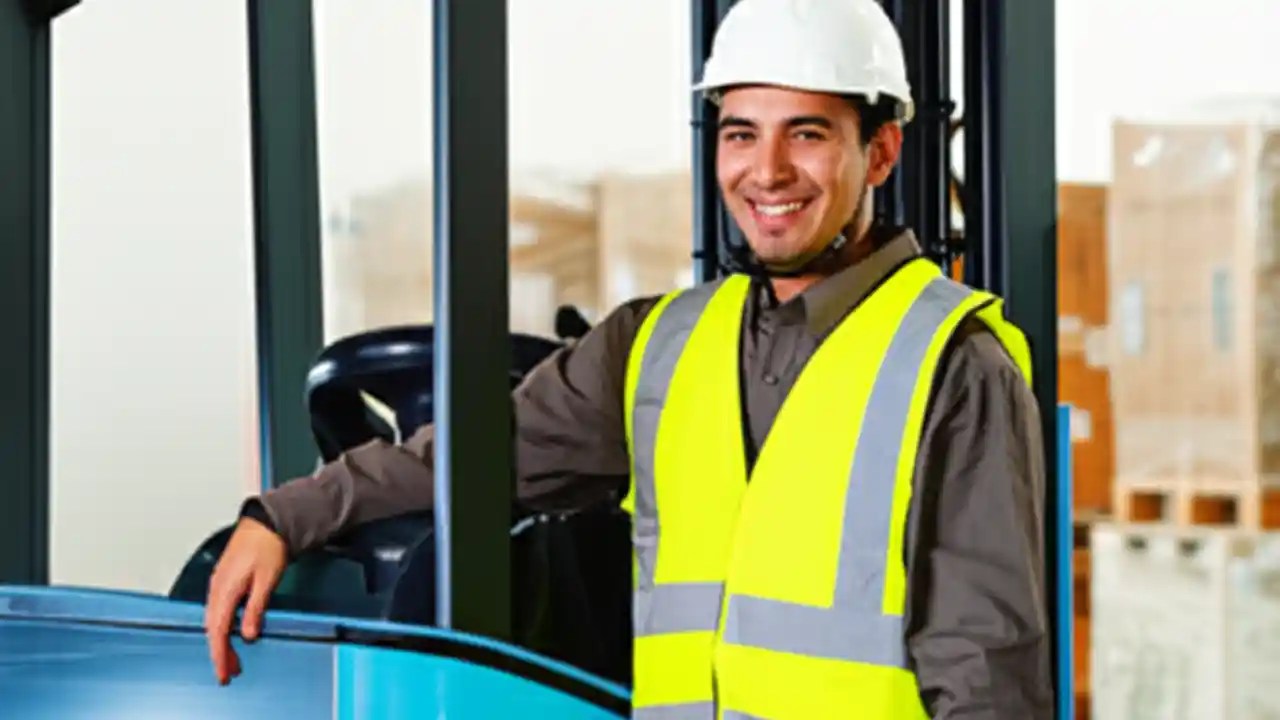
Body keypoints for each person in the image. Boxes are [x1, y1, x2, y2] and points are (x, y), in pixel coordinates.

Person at [205, 0, 1053, 716]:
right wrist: (286, 516)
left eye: (806, 134)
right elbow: (472, 456)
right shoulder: (658, 344)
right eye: (739, 134)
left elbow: (982, 665)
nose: (767, 171)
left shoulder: (955, 363)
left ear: (879, 152)